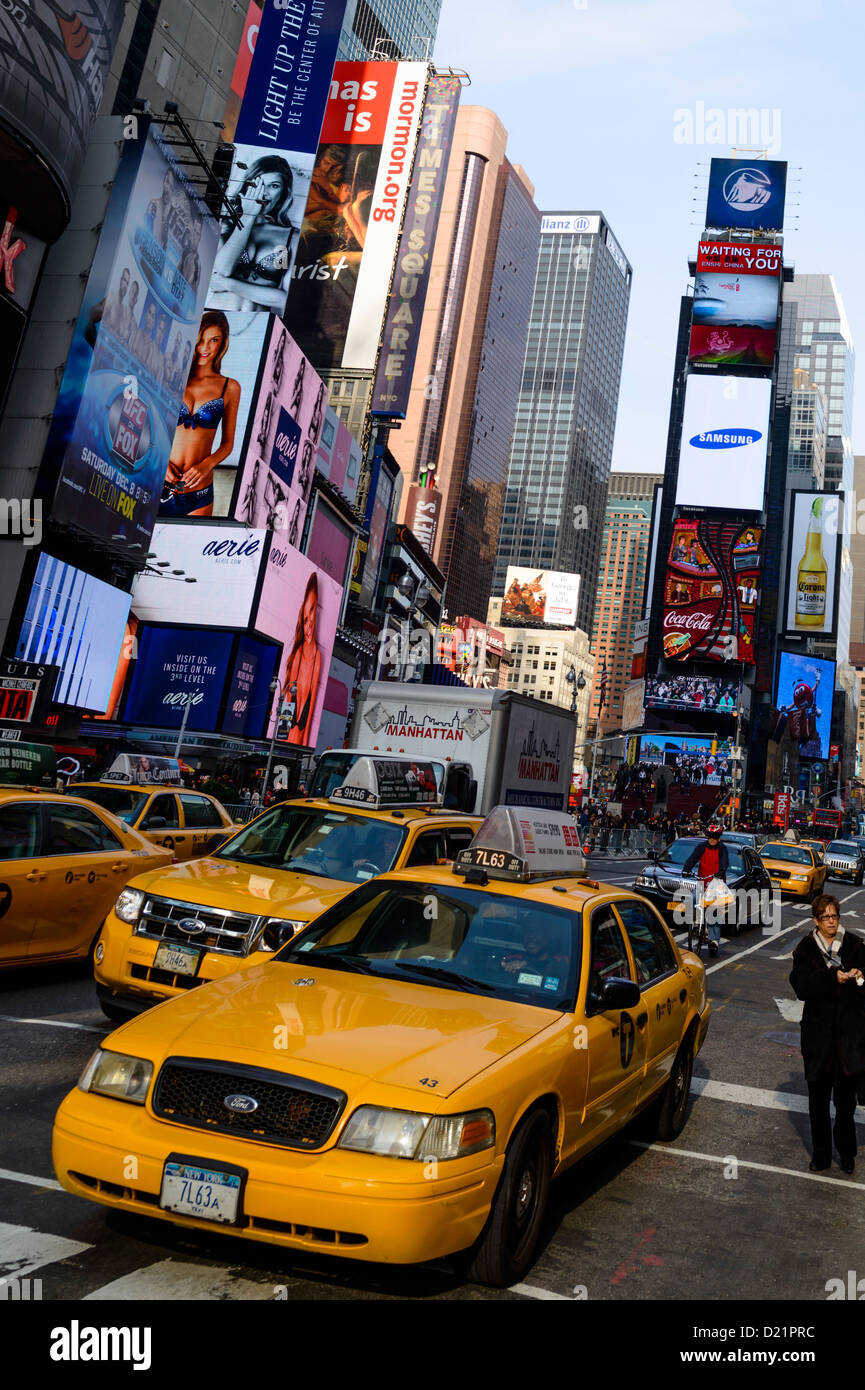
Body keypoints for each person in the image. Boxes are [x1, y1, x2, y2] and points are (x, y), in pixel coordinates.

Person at [790, 894, 865, 1173]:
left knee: (845, 1105)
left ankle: (847, 1154)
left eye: (835, 916)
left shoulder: (855, 945)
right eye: (826, 917)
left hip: (848, 1041)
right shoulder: (806, 949)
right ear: (816, 921)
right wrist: (831, 977)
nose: (831, 922)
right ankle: (821, 1155)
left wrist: (859, 977)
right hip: (818, 1040)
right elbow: (801, 986)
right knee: (818, 1104)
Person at [161, 310, 240, 517]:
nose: (205, 348)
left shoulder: (229, 387)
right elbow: (150, 424)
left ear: (223, 343)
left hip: (199, 490)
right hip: (160, 480)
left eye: (213, 340)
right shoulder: (173, 376)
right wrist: (159, 459)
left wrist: (206, 466)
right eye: (200, 340)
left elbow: (227, 444)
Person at [209, 155, 296, 312]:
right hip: (213, 312)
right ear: (247, 186)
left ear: (283, 192)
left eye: (274, 186)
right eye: (258, 183)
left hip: (256, 323)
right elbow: (223, 269)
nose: (264, 192)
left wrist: (228, 283)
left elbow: (285, 299)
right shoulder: (225, 226)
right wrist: (248, 217)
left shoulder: (292, 237)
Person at [281, 574, 322, 747]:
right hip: (290, 723)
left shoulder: (318, 656)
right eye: (305, 620)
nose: (310, 623)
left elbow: (312, 704)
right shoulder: (298, 653)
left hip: (303, 723)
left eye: (312, 610)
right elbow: (289, 696)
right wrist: (283, 733)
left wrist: (305, 743)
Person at [682, 822, 729, 956]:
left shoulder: (723, 849)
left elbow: (725, 862)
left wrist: (721, 871)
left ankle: (714, 941)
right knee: (694, 898)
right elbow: (692, 859)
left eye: (715, 837)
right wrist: (686, 869)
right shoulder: (701, 847)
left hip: (716, 883)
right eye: (710, 837)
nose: (712, 839)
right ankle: (696, 924)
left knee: (713, 912)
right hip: (702, 881)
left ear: (719, 838)